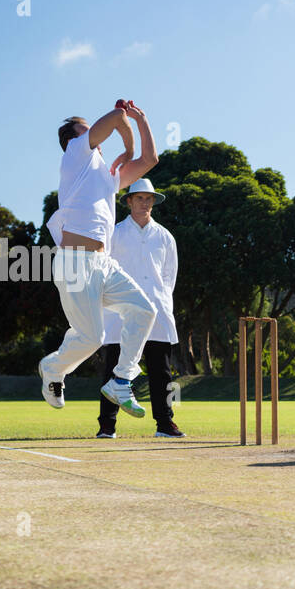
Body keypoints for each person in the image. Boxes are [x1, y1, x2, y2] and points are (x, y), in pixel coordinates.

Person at [39, 100, 159, 419]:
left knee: (144, 309)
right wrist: (126, 126)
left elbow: (150, 159)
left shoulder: (106, 177)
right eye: (86, 130)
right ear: (73, 140)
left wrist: (142, 119)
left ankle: (121, 380)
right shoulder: (76, 156)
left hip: (104, 263)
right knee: (92, 338)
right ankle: (52, 368)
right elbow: (117, 118)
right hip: (75, 262)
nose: (93, 134)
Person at [97, 178, 183, 438]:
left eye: (149, 198)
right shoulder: (114, 233)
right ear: (130, 201)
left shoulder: (165, 236)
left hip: (157, 311)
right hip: (121, 312)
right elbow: (103, 270)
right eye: (139, 198)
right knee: (114, 368)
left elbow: (170, 275)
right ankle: (106, 426)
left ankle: (165, 424)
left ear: (153, 202)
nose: (144, 202)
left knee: (162, 372)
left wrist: (161, 300)